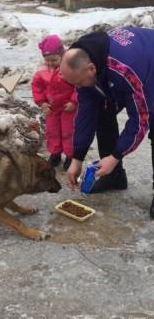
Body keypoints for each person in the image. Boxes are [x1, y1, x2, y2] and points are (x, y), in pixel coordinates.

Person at [60, 26, 154, 218]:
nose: (77, 88)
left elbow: (140, 121)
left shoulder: (126, 70)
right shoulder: (85, 55)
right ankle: (114, 177)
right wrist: (77, 157)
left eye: (78, 83)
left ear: (91, 68)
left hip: (146, 70)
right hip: (131, 69)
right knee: (102, 109)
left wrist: (115, 156)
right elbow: (87, 110)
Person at [31, 34, 77, 171]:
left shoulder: (71, 67)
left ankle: (70, 155)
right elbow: (37, 87)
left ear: (62, 54)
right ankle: (55, 153)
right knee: (53, 131)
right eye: (47, 60)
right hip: (51, 108)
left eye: (54, 60)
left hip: (68, 107)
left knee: (69, 131)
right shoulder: (42, 72)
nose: (50, 63)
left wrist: (74, 102)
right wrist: (42, 102)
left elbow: (79, 85)